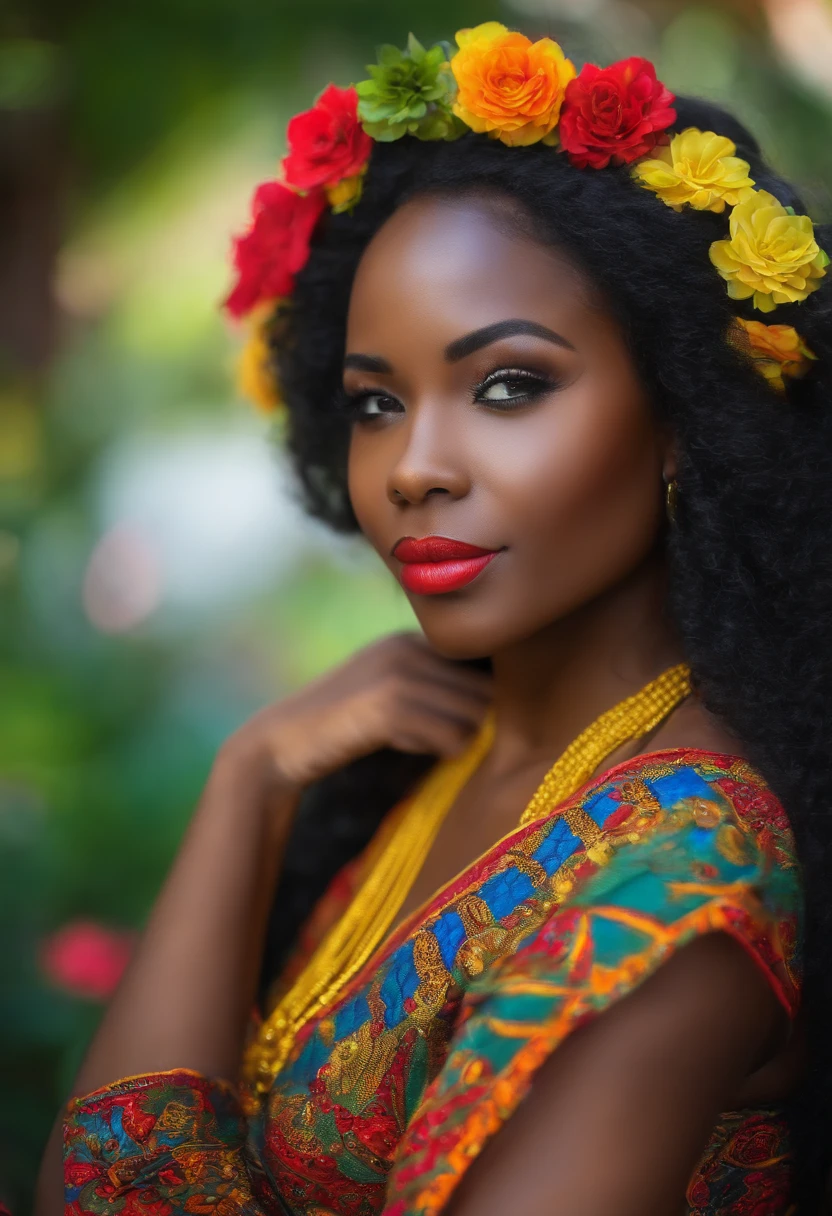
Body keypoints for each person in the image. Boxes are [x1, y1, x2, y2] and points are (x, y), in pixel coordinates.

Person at [38, 21, 832, 1216]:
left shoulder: (682, 870)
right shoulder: (432, 761)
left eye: (508, 385)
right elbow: (105, 1183)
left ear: (682, 414)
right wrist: (250, 778)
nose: (414, 468)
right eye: (375, 404)